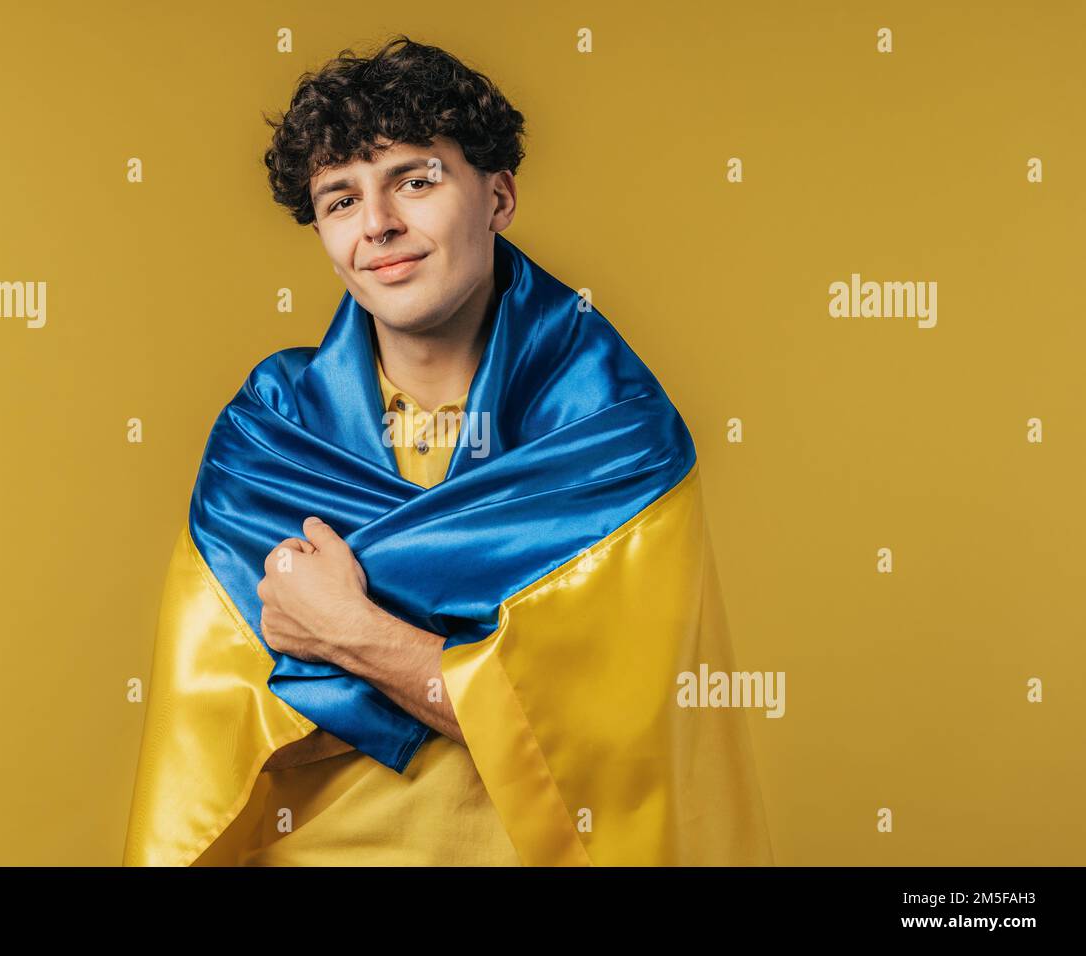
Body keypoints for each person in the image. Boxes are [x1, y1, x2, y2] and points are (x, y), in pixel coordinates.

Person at [123, 35, 773, 867]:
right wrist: (454, 661)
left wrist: (349, 632)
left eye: (416, 181)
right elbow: (207, 730)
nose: (379, 225)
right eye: (340, 200)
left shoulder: (611, 436)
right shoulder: (270, 434)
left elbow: (606, 729)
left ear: (498, 198)